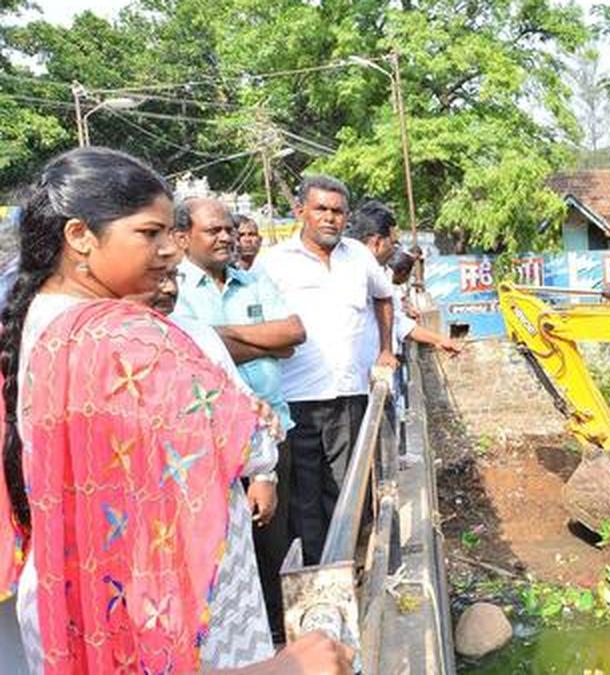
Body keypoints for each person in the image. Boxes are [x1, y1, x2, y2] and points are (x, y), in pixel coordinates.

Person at [0, 147, 352, 674]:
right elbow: (252, 435)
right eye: (150, 233)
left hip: (91, 600)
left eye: (170, 233)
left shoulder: (43, 322)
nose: (170, 250)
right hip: (158, 616)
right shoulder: (121, 337)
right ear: (80, 238)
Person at [171, 197, 305, 643]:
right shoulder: (174, 286)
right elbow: (183, 352)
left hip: (271, 433)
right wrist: (260, 342)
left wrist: (213, 339)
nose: (227, 237)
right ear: (183, 236)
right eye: (214, 230)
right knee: (224, 550)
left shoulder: (253, 278)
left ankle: (280, 634)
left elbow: (292, 335)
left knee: (275, 539)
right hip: (209, 450)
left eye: (230, 228)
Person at [255, 176, 397, 564]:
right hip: (296, 398)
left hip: (349, 394)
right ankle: (317, 575)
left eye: (337, 211)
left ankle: (345, 567)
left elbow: (384, 298)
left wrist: (385, 350)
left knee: (347, 487)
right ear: (300, 211)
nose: (330, 218)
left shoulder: (359, 257)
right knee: (303, 495)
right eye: (321, 209)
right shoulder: (273, 263)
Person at [347, 200, 462, 357]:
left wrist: (439, 340)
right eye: (393, 244)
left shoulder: (379, 275)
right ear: (377, 243)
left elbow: (397, 322)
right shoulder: (347, 275)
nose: (394, 251)